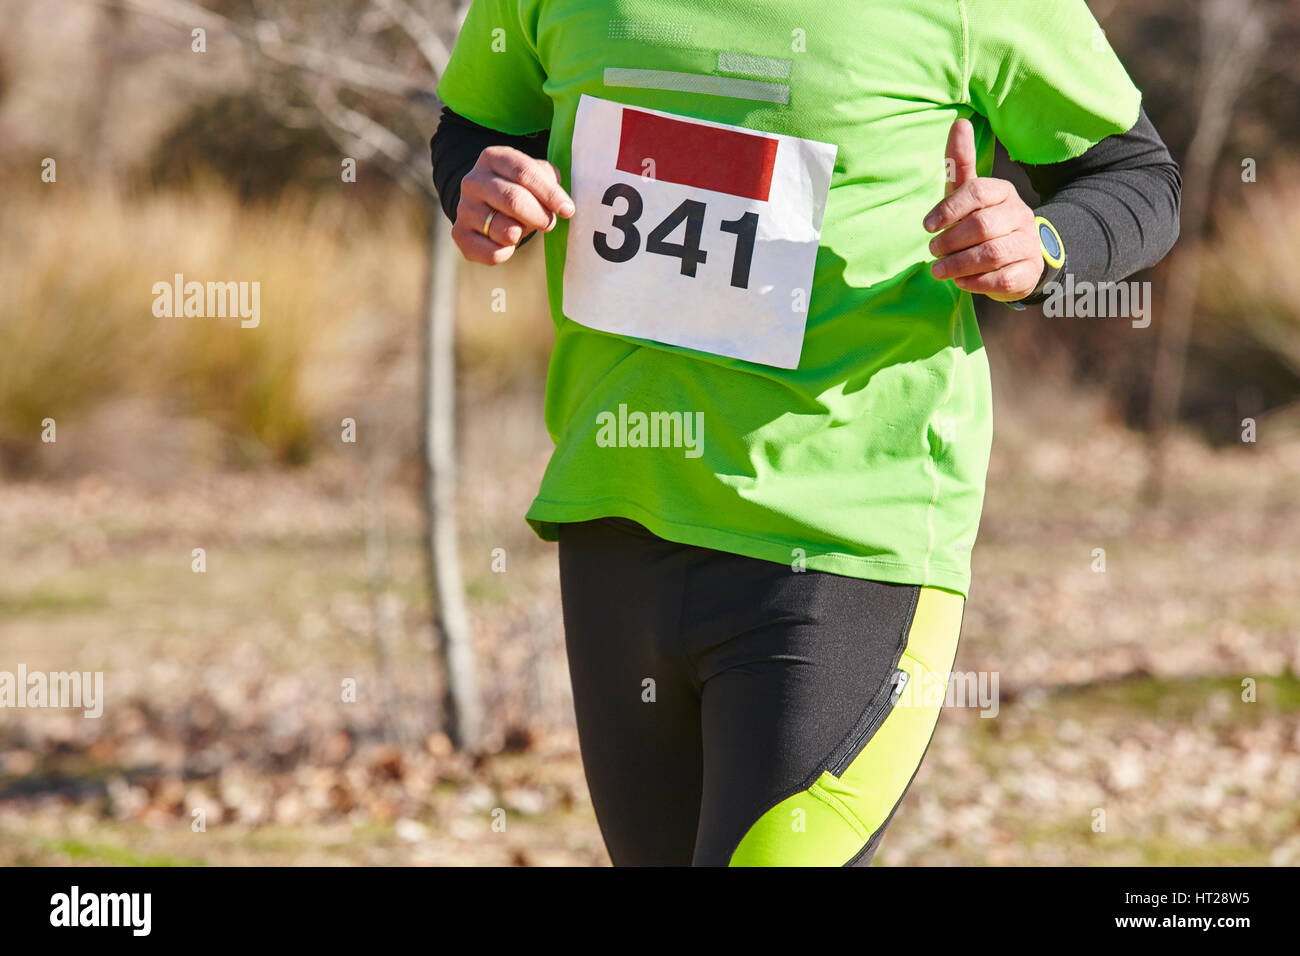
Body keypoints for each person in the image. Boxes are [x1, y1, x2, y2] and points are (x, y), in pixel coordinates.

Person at [430, 0, 1181, 866]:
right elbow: (476, 123)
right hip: (616, 517)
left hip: (847, 543)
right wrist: (480, 186)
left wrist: (1044, 244)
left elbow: (1138, 176)